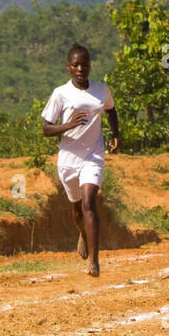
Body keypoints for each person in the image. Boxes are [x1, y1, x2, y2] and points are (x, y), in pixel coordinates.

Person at [41, 43, 120, 278]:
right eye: (75, 64)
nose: (80, 68)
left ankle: (94, 261)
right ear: (68, 67)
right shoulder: (60, 93)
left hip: (93, 156)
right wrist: (68, 125)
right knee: (77, 210)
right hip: (68, 159)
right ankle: (83, 234)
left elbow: (111, 110)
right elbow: (46, 129)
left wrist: (116, 135)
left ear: (90, 65)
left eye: (84, 64)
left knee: (89, 203)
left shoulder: (101, 90)